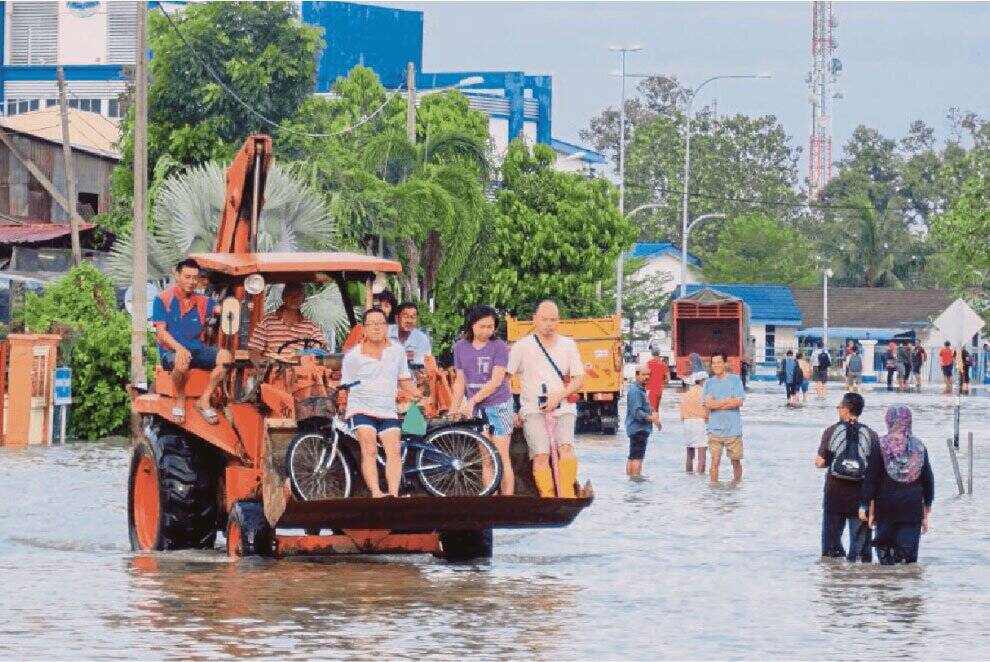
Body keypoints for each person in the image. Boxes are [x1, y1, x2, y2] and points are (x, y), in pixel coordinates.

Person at [507, 300, 585, 498]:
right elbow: (505, 378)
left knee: (566, 448)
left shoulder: (568, 345)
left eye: (553, 320)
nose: (549, 324)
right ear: (535, 319)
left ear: (558, 321)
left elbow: (579, 379)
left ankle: (567, 494)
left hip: (564, 406)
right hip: (533, 409)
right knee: (541, 454)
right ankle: (547, 496)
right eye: (544, 319)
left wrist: (559, 395)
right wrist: (511, 410)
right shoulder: (522, 346)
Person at [340, 307, 420, 498]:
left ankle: (393, 494)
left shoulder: (397, 351)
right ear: (364, 329)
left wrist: (419, 395)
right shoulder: (353, 356)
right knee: (369, 449)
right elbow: (345, 386)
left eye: (381, 323)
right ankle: (376, 493)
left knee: (394, 450)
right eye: (372, 324)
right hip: (361, 408)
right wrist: (342, 406)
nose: (377, 327)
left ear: (387, 327)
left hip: (387, 409)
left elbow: (404, 379)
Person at [151, 258, 230, 425]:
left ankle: (204, 399)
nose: (192, 281)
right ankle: (180, 399)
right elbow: (161, 332)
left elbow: (222, 310)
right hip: (171, 351)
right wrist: (179, 349)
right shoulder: (162, 299)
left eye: (195, 278)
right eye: (187, 277)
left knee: (226, 357)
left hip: (196, 350)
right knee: (181, 360)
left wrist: (238, 307)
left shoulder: (203, 301)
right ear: (177, 275)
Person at [450, 305, 515, 495]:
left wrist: (472, 401)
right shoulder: (460, 347)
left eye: (490, 327)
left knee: (501, 456)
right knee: (486, 458)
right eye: (482, 326)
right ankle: (490, 498)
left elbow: (496, 381)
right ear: (472, 325)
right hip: (477, 408)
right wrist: (454, 408)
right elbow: (460, 381)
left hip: (499, 404)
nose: (486, 331)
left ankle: (508, 500)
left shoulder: (499, 347)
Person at [860, 405, 935, 564]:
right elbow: (928, 479)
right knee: (907, 560)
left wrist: (865, 505)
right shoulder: (919, 447)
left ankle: (888, 579)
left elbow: (871, 478)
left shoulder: (880, 445)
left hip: (885, 507)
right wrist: (927, 506)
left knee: (885, 559)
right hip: (911, 508)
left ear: (888, 421)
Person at [815, 392, 877, 562]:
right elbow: (874, 470)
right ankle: (857, 578)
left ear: (846, 410)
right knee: (861, 554)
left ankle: (836, 576)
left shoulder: (831, 431)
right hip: (861, 498)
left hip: (834, 495)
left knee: (831, 552)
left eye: (839, 407)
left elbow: (819, 462)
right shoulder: (871, 434)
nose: (838, 410)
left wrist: (835, 462)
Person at [247, 283, 327, 358]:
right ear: (283, 297)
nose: (294, 298)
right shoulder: (267, 323)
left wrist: (313, 350)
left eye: (298, 295)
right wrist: (264, 362)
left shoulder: (310, 326)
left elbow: (322, 348)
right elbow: (254, 350)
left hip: (300, 367)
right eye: (290, 295)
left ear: (303, 299)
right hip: (272, 367)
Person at [702, 353, 745, 482]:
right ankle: (714, 489)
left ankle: (737, 487)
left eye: (719, 362)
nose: (716, 365)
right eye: (713, 363)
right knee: (714, 462)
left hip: (733, 430)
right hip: (714, 430)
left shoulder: (735, 380)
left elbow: (739, 402)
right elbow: (707, 405)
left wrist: (715, 404)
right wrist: (727, 401)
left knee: (735, 461)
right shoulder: (708, 383)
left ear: (725, 363)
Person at [625, 364, 660, 477]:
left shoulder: (640, 390)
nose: (647, 377)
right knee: (637, 458)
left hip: (636, 428)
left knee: (633, 456)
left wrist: (653, 414)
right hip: (638, 428)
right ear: (636, 375)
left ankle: (631, 479)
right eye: (644, 374)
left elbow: (645, 407)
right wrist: (651, 418)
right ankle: (636, 480)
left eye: (648, 375)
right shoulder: (636, 391)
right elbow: (636, 412)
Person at [680, 362, 708, 474]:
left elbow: (681, 415)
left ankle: (689, 476)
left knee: (689, 454)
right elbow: (708, 412)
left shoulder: (686, 394)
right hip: (700, 422)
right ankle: (701, 477)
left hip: (687, 423)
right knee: (702, 455)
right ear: (702, 381)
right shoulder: (705, 393)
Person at [389, 302, 433, 368]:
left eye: (413, 317)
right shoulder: (385, 332)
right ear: (397, 318)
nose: (409, 321)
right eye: (405, 316)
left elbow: (422, 366)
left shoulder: (422, 339)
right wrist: (402, 356)